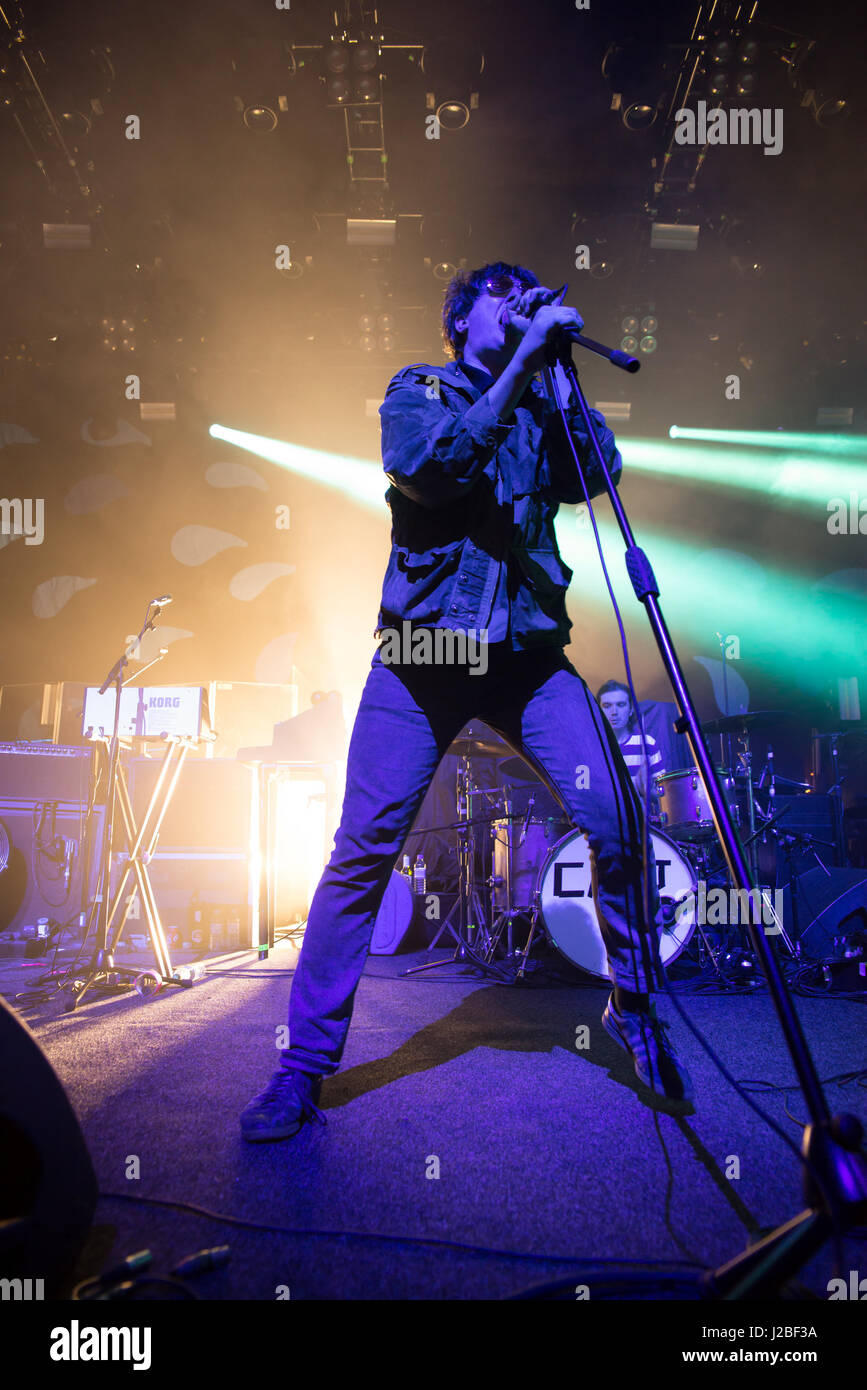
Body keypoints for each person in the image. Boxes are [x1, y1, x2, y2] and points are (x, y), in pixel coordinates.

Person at [240, 261, 693, 1142]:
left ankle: (632, 1007)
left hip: (525, 657)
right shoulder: (420, 387)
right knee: (362, 851)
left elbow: (595, 473)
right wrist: (522, 365)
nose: (521, 296)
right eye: (500, 290)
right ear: (459, 319)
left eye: (529, 288)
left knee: (616, 822)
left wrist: (558, 376)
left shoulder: (540, 395)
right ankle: (302, 1067)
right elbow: (426, 469)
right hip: (421, 657)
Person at [597, 679, 665, 800]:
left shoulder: (647, 743)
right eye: (607, 706)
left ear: (630, 710)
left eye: (621, 705)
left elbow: (663, 797)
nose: (614, 712)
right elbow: (581, 792)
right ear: (598, 711)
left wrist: (647, 791)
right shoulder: (591, 747)